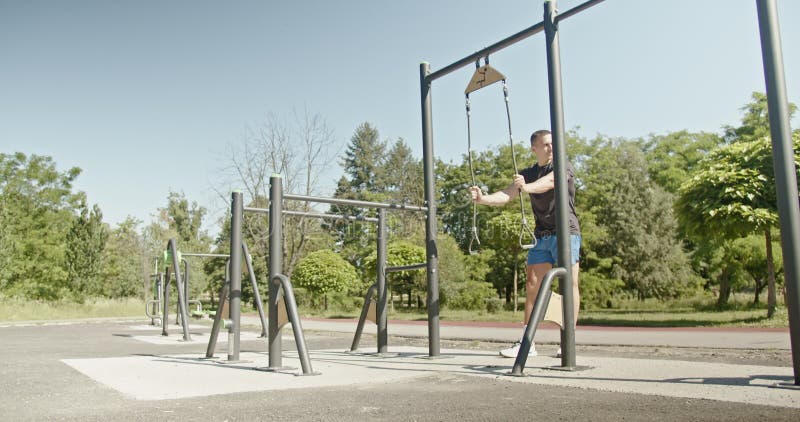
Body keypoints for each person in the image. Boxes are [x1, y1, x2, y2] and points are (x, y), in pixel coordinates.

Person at [469, 129, 581, 358]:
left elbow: (550, 182)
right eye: (546, 145)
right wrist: (482, 199)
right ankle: (527, 342)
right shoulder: (528, 173)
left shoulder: (563, 165)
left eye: (553, 144)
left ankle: (568, 340)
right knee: (532, 286)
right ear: (534, 148)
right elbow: (507, 194)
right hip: (542, 235)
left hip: (566, 232)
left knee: (568, 285)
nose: (551, 148)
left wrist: (526, 187)